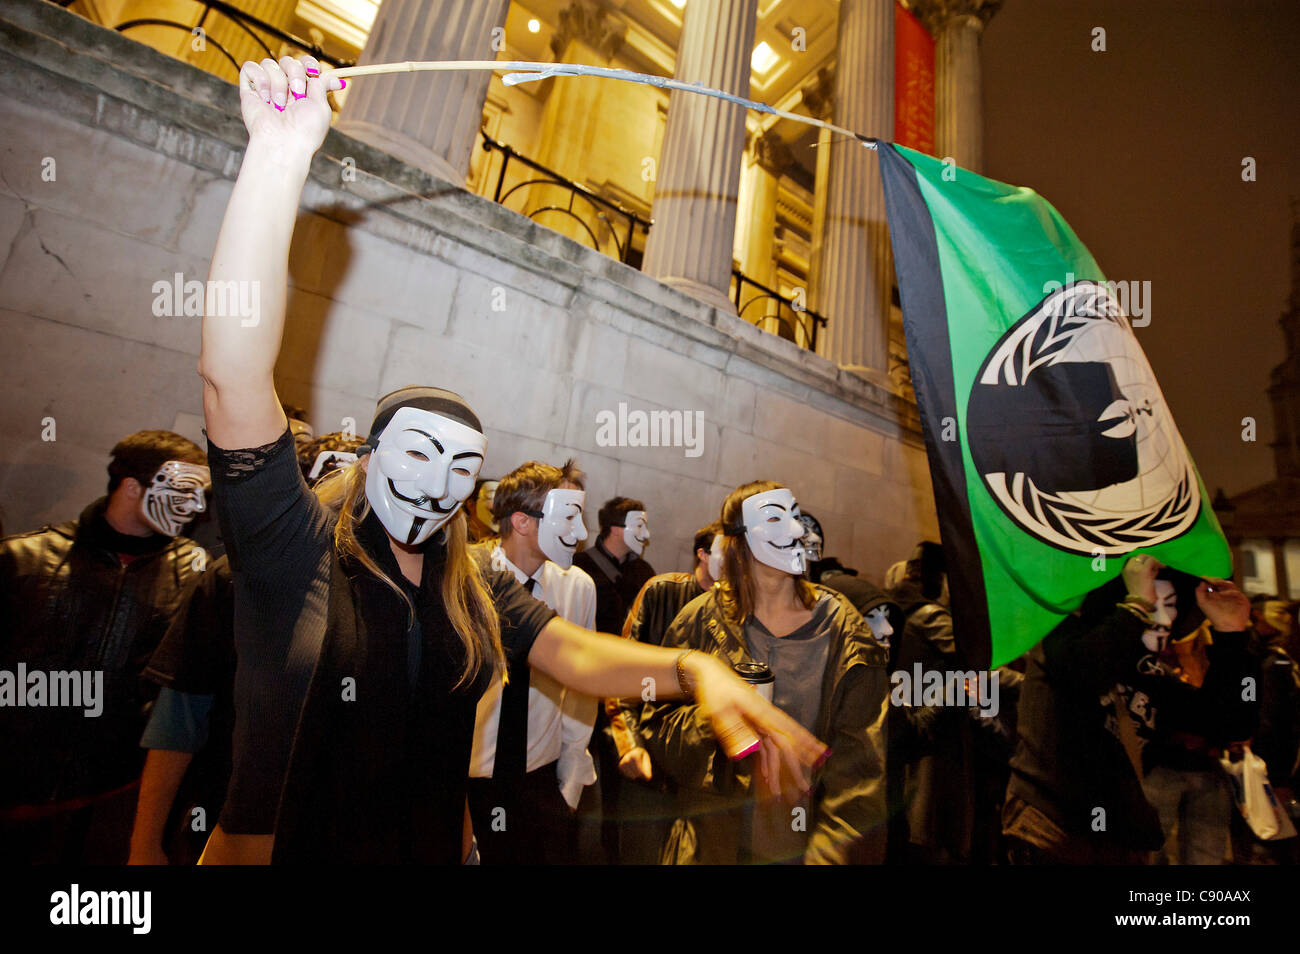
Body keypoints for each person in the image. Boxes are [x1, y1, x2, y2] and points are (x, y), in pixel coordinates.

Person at [194, 53, 825, 865]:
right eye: (419, 452)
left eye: (462, 468)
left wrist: (697, 672)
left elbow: (579, 656)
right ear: (376, 451)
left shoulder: (474, 582)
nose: (438, 481)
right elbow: (231, 373)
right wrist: (280, 157)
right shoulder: (293, 545)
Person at [128, 434, 359, 865]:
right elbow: (180, 716)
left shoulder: (387, 588)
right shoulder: (236, 579)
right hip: (227, 818)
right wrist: (145, 842)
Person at [639, 481, 891, 864]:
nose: (796, 530)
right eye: (775, 517)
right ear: (738, 540)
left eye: (796, 516)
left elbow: (861, 778)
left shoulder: (844, 631)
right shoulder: (700, 619)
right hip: (707, 846)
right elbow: (657, 725)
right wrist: (720, 719)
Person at [0, 430, 210, 864]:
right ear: (133, 488)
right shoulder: (23, 560)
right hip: (14, 789)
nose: (197, 508)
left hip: (117, 797)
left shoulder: (195, 578)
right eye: (185, 493)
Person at [1003, 553, 1256, 864]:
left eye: (1170, 606)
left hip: (1114, 841)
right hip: (1051, 829)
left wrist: (1232, 634)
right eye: (1152, 602)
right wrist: (1136, 606)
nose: (1161, 618)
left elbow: (1230, 722)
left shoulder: (1148, 672)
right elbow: (1085, 671)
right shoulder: (1063, 636)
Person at [466, 459, 598, 864]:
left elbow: (582, 683)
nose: (580, 534)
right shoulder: (465, 576)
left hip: (541, 782)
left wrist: (570, 781)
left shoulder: (577, 588)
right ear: (522, 522)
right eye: (568, 517)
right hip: (471, 780)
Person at [603, 520, 723, 863]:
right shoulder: (662, 592)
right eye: (723, 552)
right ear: (702, 555)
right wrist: (630, 744)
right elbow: (623, 668)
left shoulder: (740, 611)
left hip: (705, 774)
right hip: (651, 761)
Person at [885, 541, 976, 864]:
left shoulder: (892, 609)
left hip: (903, 727)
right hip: (930, 736)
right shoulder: (930, 616)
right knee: (926, 832)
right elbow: (976, 659)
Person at [573, 496, 656, 636]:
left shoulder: (645, 571)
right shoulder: (579, 565)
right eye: (639, 526)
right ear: (616, 529)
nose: (646, 534)